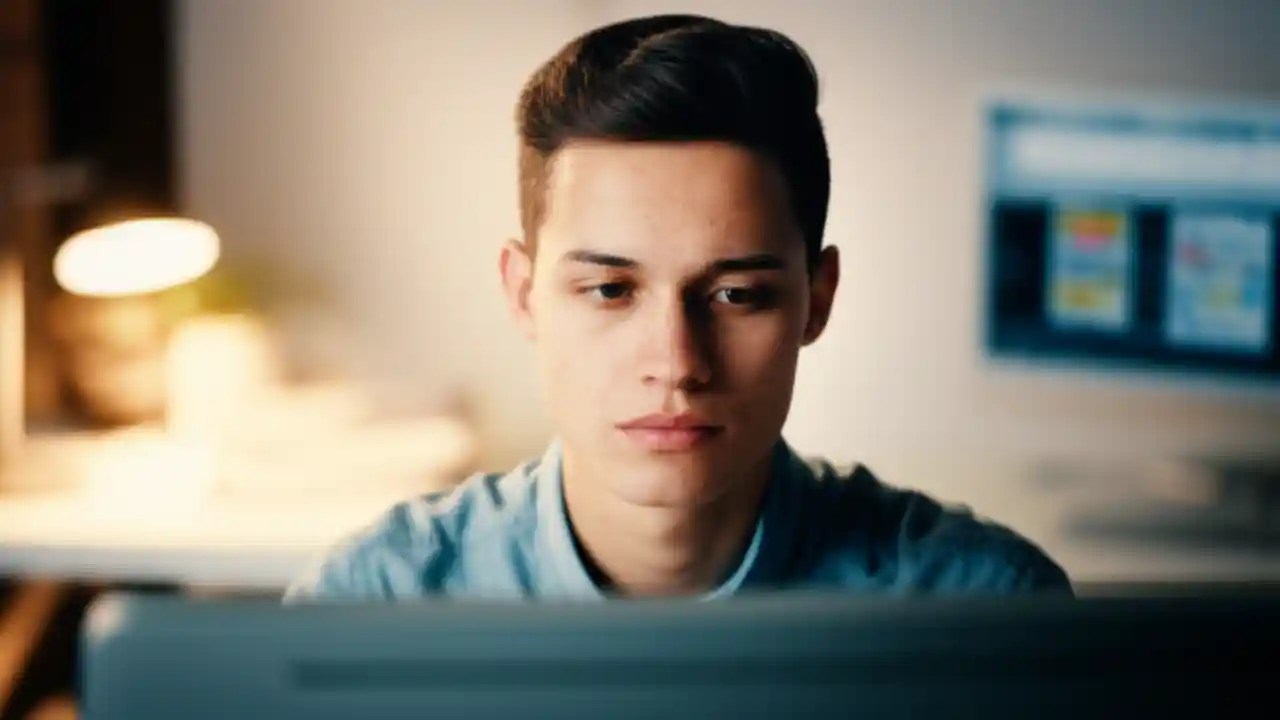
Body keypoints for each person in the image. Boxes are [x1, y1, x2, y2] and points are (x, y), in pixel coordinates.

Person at [286, 14, 1070, 602]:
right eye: (611, 290)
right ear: (526, 296)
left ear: (815, 301)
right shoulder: (372, 601)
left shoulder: (981, 606)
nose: (677, 362)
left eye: (736, 295)